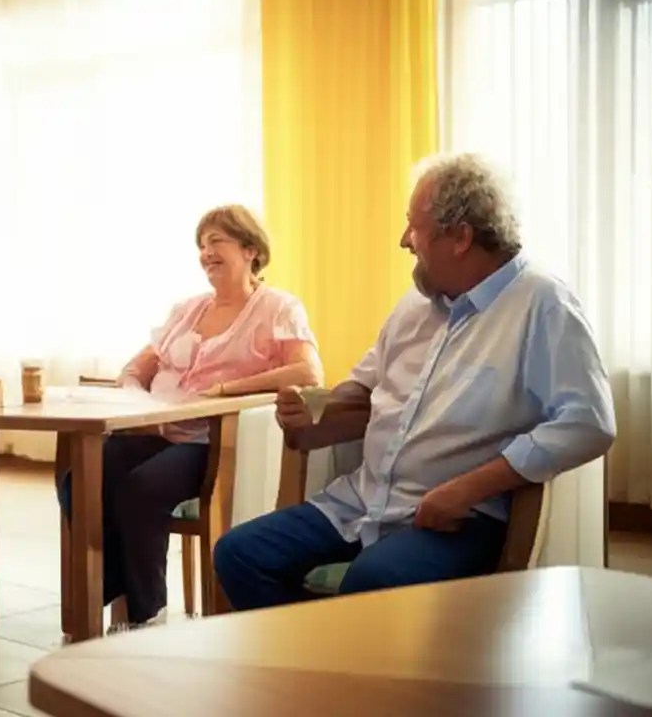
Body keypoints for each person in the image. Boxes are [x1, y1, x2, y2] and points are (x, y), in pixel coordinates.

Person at [212, 153, 617, 610]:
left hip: (458, 518)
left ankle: (351, 667)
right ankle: (315, 666)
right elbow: (359, 391)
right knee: (238, 554)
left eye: (414, 226)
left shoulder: (542, 303)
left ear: (461, 237)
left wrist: (466, 489)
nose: (405, 241)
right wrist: (312, 409)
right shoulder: (414, 306)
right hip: (362, 500)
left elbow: (589, 422)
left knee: (373, 580)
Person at [58, 204, 324, 631]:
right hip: (156, 428)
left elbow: (308, 372)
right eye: (202, 245)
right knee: (80, 478)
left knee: (140, 489)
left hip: (211, 438)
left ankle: (148, 615)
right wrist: (131, 397)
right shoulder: (189, 309)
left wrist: (225, 389)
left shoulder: (277, 307)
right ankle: (119, 592)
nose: (206, 253)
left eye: (216, 241)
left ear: (251, 249)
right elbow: (140, 365)